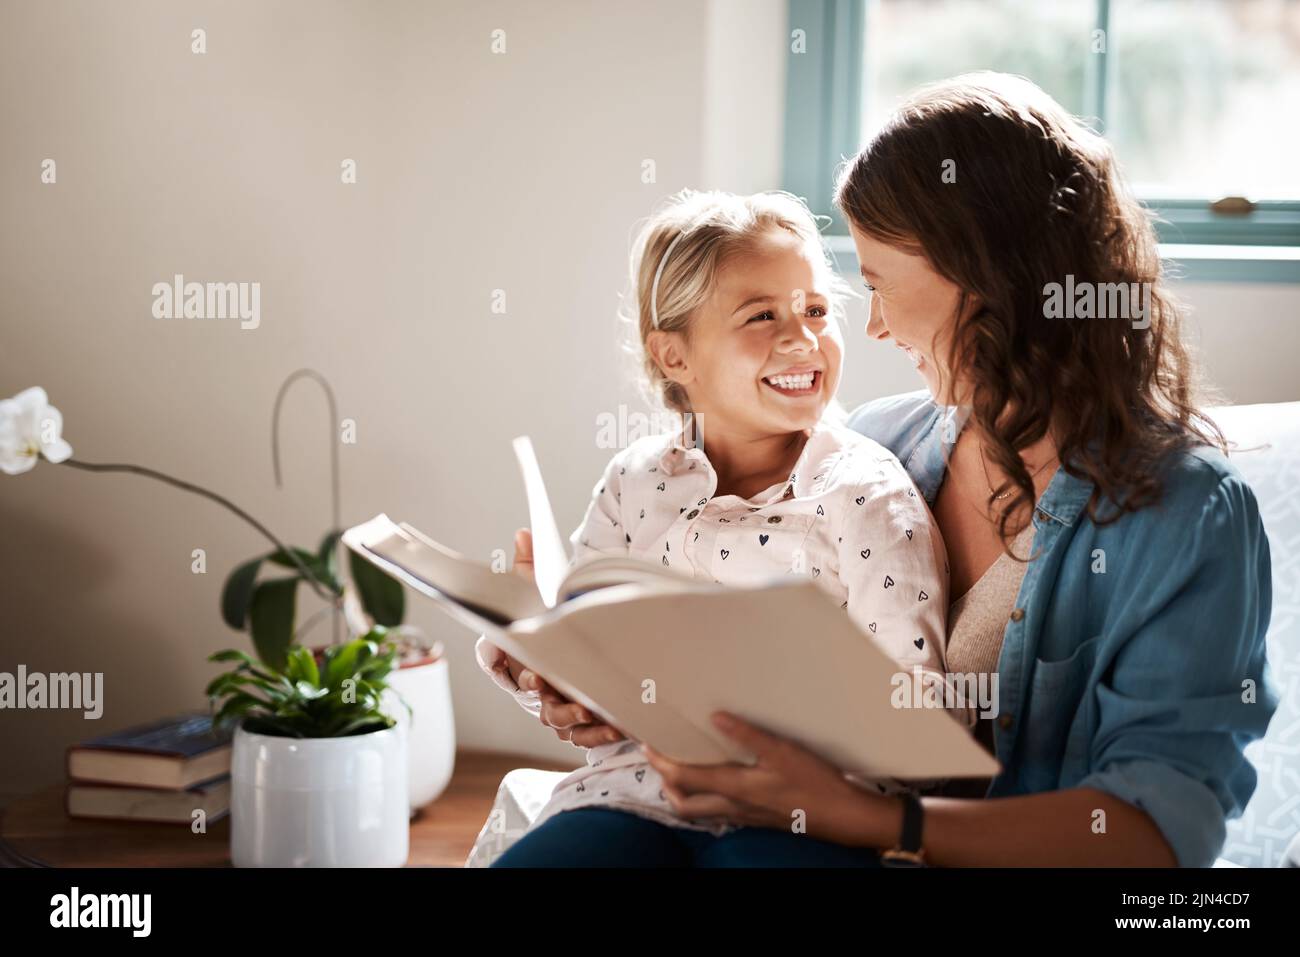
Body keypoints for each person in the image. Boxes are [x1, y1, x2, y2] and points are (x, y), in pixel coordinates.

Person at [493, 73, 1277, 867]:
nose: (868, 326)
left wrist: (874, 820)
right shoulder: (884, 439)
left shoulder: (1186, 514)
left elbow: (1159, 836)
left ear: (985, 276)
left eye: (872, 287)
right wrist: (590, 685)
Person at [479, 189, 970, 867]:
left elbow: (915, 720)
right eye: (761, 315)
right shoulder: (635, 480)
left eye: (816, 309)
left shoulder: (867, 494)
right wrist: (542, 666)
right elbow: (589, 662)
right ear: (674, 357)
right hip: (634, 792)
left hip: (799, 817)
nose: (803, 338)